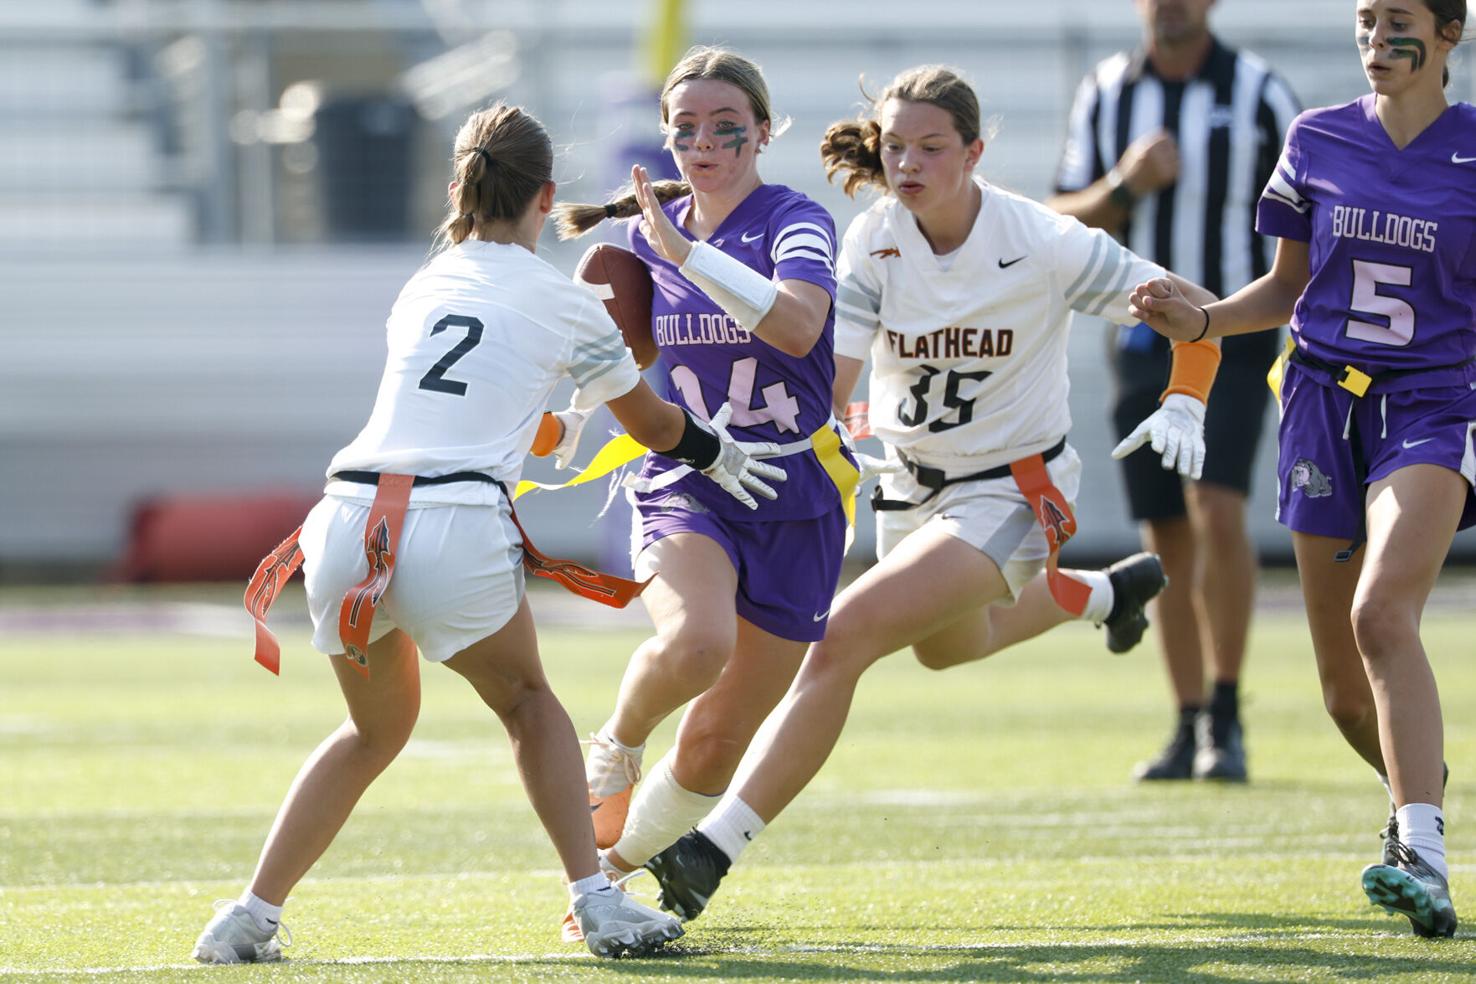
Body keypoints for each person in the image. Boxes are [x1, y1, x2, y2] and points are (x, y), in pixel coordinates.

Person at [190, 102, 787, 963]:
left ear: (458, 188)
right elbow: (656, 426)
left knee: (370, 733)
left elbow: (460, 402)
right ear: (548, 195)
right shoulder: (563, 299)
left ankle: (248, 914)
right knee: (531, 707)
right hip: (449, 527)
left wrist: (556, 426)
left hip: (345, 521)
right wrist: (715, 453)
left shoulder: (426, 283)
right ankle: (597, 901)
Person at [634, 64, 1223, 924]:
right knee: (948, 647)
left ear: (976, 152)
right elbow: (828, 382)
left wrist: (1187, 391)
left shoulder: (1046, 240)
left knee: (844, 640)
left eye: (932, 147)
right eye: (895, 146)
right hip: (907, 488)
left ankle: (712, 850)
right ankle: (1100, 595)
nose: (908, 162)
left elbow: (1198, 308)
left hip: (1015, 488)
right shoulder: (874, 236)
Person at [1126, 0, 1470, 938]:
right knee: (1342, 695)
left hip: (1434, 407)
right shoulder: (1317, 136)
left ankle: (1425, 856)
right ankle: (1421, 808)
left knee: (1380, 613)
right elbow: (1286, 289)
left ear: (1449, 34)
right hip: (1320, 404)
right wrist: (1201, 322)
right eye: (1364, 19)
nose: (1374, 38)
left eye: (1397, 20)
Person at [546, 46, 856, 938]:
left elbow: (799, 326)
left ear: (764, 132)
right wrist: (573, 414)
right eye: (686, 129)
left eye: (726, 127)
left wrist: (692, 252)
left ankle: (605, 879)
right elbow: (623, 355)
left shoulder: (796, 219)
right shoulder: (642, 239)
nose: (704, 143)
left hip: (795, 488)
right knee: (695, 647)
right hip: (691, 473)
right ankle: (616, 742)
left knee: (720, 741)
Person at [1047, 0, 1301, 783]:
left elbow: (1304, 220)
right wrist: (1125, 183)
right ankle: (1188, 720)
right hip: (1138, 334)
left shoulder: (1259, 91)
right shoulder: (1107, 90)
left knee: (1215, 503)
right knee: (1164, 528)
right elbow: (1060, 216)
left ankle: (1226, 713)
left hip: (1232, 327)